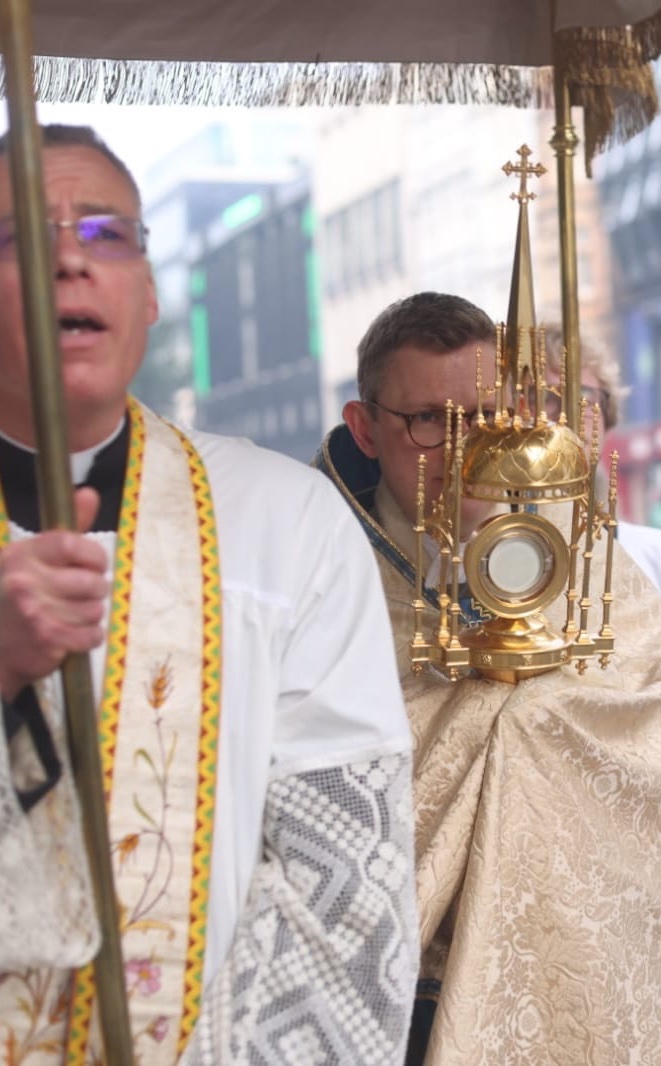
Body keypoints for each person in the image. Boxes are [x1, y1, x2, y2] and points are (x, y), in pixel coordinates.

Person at [0, 124, 417, 1063]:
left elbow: (341, 901)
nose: (69, 256)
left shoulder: (286, 522)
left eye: (106, 233)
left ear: (149, 293)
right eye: (22, 234)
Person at [313, 291, 661, 1066]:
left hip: (598, 976)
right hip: (406, 996)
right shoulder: (324, 567)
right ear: (366, 428)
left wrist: (537, 716)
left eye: (491, 416)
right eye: (431, 421)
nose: (468, 449)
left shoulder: (595, 559)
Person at [539, 324, 661, 681]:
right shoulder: (467, 561)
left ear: (607, 415)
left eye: (580, 395)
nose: (561, 415)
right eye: (542, 397)